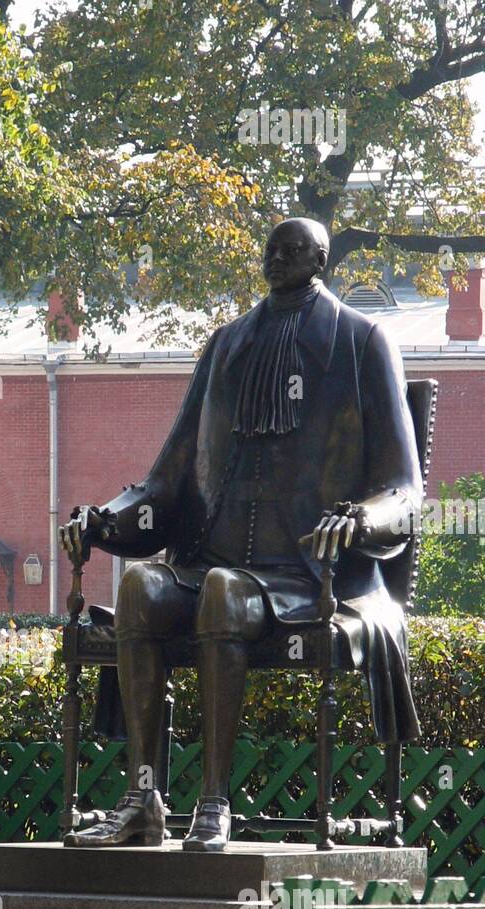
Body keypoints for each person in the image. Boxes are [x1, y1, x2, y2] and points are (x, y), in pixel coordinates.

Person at [60, 217, 421, 851]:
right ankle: (144, 799)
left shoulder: (363, 342)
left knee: (225, 592)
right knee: (143, 587)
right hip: (213, 561)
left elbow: (405, 494)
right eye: (271, 249)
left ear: (321, 259)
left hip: (310, 575)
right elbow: (166, 478)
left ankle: (213, 803)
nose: (277, 258)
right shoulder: (226, 346)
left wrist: (359, 520)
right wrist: (107, 520)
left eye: (294, 250)